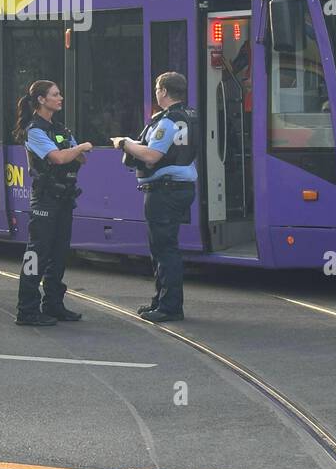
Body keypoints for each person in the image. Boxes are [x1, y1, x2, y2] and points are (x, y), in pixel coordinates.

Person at [113, 71, 198, 323]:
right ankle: (161, 300)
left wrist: (124, 143)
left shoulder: (167, 120)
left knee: (163, 249)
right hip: (179, 187)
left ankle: (169, 306)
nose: (156, 93)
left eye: (157, 89)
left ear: (162, 91)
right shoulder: (191, 115)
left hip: (165, 189)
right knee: (163, 247)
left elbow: (151, 156)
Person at [13, 80, 92, 326]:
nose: (60, 98)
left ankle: (53, 304)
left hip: (64, 198)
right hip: (45, 198)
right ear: (41, 99)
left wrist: (74, 151)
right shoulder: (34, 130)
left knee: (59, 255)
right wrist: (78, 148)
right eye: (55, 94)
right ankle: (27, 309)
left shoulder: (59, 128)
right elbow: (59, 157)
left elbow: (81, 160)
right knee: (36, 253)